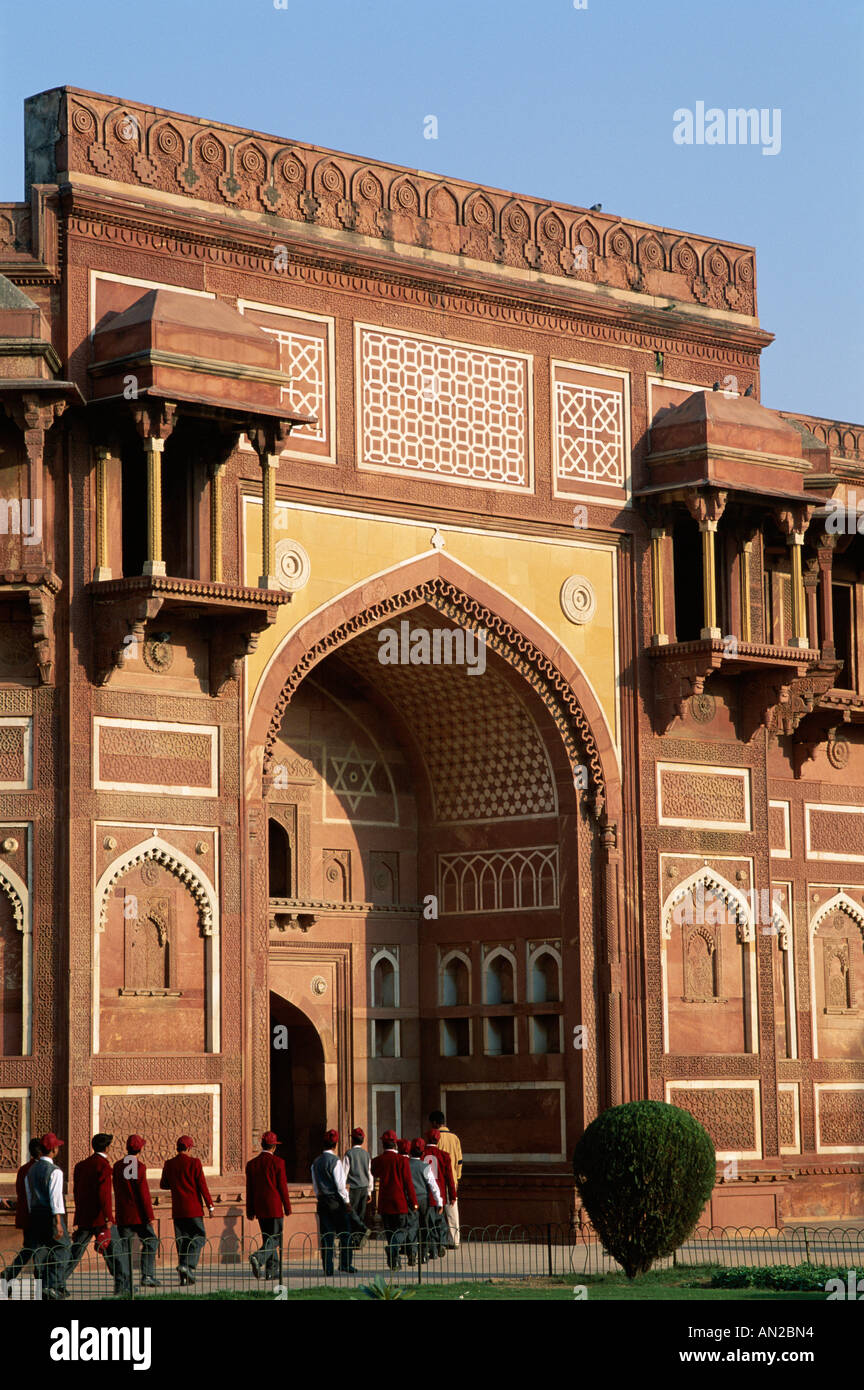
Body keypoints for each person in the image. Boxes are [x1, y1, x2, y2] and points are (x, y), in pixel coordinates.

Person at [66, 1133, 130, 1297]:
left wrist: (78, 1214)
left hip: (85, 1216)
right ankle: (122, 1286)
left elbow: (77, 1192)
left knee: (75, 1252)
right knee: (115, 1252)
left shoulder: (81, 1165)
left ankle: (57, 1282)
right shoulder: (103, 1166)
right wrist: (109, 1217)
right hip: (101, 1217)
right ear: (107, 1147)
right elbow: (105, 1194)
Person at [160, 1135, 214, 1285]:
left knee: (182, 1242)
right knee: (199, 1237)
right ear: (189, 1148)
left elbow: (163, 1184)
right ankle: (187, 1265)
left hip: (178, 1210)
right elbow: (202, 1186)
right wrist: (210, 1206)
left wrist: (177, 1184)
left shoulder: (169, 1164)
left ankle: (184, 1278)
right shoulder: (194, 1163)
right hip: (194, 1209)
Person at [23, 1133, 70, 1299]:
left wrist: (32, 1214)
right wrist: (58, 1221)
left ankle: (44, 1286)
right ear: (54, 1149)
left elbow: (29, 1196)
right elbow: (55, 1197)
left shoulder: (31, 1170)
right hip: (50, 1215)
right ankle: (52, 1284)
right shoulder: (55, 1171)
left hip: (35, 1214)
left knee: (41, 1251)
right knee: (62, 1249)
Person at [113, 1135, 160, 1288]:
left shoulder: (117, 1166)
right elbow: (143, 1194)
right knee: (151, 1241)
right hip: (139, 1215)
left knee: (125, 1248)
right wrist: (149, 1216)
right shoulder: (139, 1167)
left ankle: (126, 1282)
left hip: (123, 1214)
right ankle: (147, 1275)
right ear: (140, 1149)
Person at [246, 1130, 291, 1281]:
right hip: (274, 1206)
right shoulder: (278, 1162)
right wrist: (287, 1207)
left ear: (262, 1145)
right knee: (276, 1238)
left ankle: (271, 1271)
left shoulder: (252, 1164)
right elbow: (282, 1187)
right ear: (274, 1147)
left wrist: (250, 1209)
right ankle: (258, 1257)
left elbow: (249, 1189)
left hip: (259, 1207)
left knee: (268, 1239)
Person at [370, 1130, 418, 1272]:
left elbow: (374, 1173)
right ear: (395, 1144)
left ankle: (394, 1262)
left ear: (383, 1144)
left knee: (390, 1232)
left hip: (384, 1202)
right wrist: (414, 1202)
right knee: (403, 1229)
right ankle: (393, 1251)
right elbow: (408, 1183)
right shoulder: (402, 1160)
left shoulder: (377, 1161)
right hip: (400, 1202)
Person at [1, 1138, 45, 1287]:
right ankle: (43, 1286)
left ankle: (6, 1277)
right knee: (39, 1252)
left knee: (30, 1250)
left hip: (27, 1215)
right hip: (37, 1216)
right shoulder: (41, 1169)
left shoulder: (24, 1169)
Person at [311, 1129, 353, 1275]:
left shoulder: (316, 1162)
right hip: (336, 1200)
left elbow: (315, 1185)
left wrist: (320, 1197)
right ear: (336, 1144)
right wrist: (347, 1202)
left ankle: (328, 1267)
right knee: (345, 1232)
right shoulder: (335, 1161)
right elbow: (340, 1185)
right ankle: (345, 1263)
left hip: (322, 1200)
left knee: (326, 1235)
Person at [406, 1138, 441, 1266]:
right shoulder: (425, 1166)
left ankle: (412, 1253)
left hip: (410, 1199)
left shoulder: (406, 1165)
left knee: (411, 1226)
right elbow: (433, 1185)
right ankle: (423, 1254)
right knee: (424, 1227)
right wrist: (439, 1201)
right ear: (422, 1153)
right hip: (424, 1199)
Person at [430, 1110, 463, 1249]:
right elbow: (459, 1161)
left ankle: (438, 1240)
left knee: (436, 1210)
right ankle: (454, 1240)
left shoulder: (436, 1138)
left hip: (438, 1180)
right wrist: (457, 1177)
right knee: (452, 1210)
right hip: (452, 1179)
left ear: (435, 1123)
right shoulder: (455, 1138)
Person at [423, 1129, 457, 1258]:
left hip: (426, 1194)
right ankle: (441, 1243)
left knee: (428, 1222)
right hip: (441, 1194)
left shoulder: (422, 1154)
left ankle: (432, 1247)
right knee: (440, 1221)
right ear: (439, 1140)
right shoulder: (444, 1155)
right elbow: (450, 1178)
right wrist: (452, 1195)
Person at [342, 1126, 373, 1254]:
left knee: (351, 1214)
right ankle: (358, 1240)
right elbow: (369, 1173)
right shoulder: (366, 1154)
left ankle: (355, 1236)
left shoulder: (349, 1154)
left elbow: (344, 1173)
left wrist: (343, 1190)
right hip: (364, 1187)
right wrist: (370, 1191)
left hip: (353, 1188)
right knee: (360, 1214)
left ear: (352, 1140)